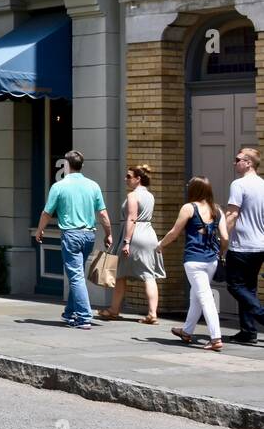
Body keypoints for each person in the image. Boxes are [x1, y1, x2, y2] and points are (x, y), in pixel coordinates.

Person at [34, 149, 112, 330]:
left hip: (71, 235)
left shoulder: (59, 186)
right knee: (76, 274)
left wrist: (40, 230)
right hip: (89, 236)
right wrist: (108, 233)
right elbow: (103, 214)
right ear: (81, 165)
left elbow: (47, 213)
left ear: (66, 165)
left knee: (75, 276)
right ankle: (69, 313)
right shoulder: (93, 185)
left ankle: (84, 317)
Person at [159, 177, 229, 351]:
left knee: (205, 297)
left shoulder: (189, 208)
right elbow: (225, 237)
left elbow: (174, 232)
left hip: (193, 260)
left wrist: (160, 245)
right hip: (211, 260)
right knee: (196, 296)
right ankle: (187, 331)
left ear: (195, 189)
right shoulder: (217, 210)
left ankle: (215, 338)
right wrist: (220, 253)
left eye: (189, 186)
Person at [98, 164, 164, 323]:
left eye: (128, 176)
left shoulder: (133, 196)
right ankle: (152, 313)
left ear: (138, 179)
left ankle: (113, 310)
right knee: (149, 275)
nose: (125, 179)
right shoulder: (150, 196)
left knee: (120, 274)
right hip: (149, 235)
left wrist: (126, 242)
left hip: (134, 236)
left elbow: (131, 219)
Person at [224, 147, 264, 345]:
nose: (235, 162)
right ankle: (248, 332)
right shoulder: (262, 185)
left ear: (248, 163)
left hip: (242, 246)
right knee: (249, 288)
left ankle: (260, 317)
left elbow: (232, 214)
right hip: (259, 246)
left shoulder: (238, 184)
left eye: (238, 159)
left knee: (235, 286)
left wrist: (221, 237)